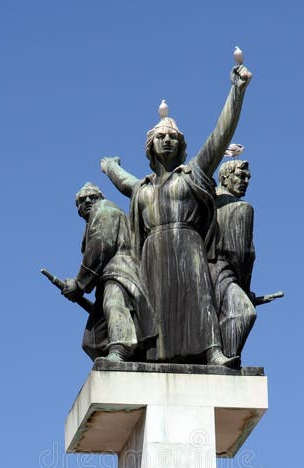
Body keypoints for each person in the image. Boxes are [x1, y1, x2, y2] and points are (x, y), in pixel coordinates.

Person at [100, 64, 252, 366]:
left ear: (181, 145)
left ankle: (213, 351)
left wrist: (237, 91)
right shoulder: (143, 188)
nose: (167, 140)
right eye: (161, 137)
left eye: (172, 136)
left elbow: (220, 136)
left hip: (188, 243)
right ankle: (149, 353)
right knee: (158, 310)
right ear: (151, 146)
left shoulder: (192, 174)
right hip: (153, 250)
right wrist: (109, 166)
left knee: (199, 300)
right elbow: (123, 180)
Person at [62, 183, 155, 362]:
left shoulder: (105, 209)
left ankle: (120, 349)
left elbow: (102, 244)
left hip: (120, 269)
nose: (88, 201)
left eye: (93, 197)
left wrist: (79, 284)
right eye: (82, 200)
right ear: (79, 210)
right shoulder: (91, 221)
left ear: (101, 199)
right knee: (93, 341)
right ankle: (128, 363)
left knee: (115, 305)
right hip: (104, 279)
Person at [211, 159, 256, 358]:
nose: (245, 181)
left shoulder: (206, 201)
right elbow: (242, 254)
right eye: (240, 176)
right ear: (224, 178)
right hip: (224, 273)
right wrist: (246, 290)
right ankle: (228, 359)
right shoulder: (242, 208)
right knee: (245, 313)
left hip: (199, 272)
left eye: (248, 177)